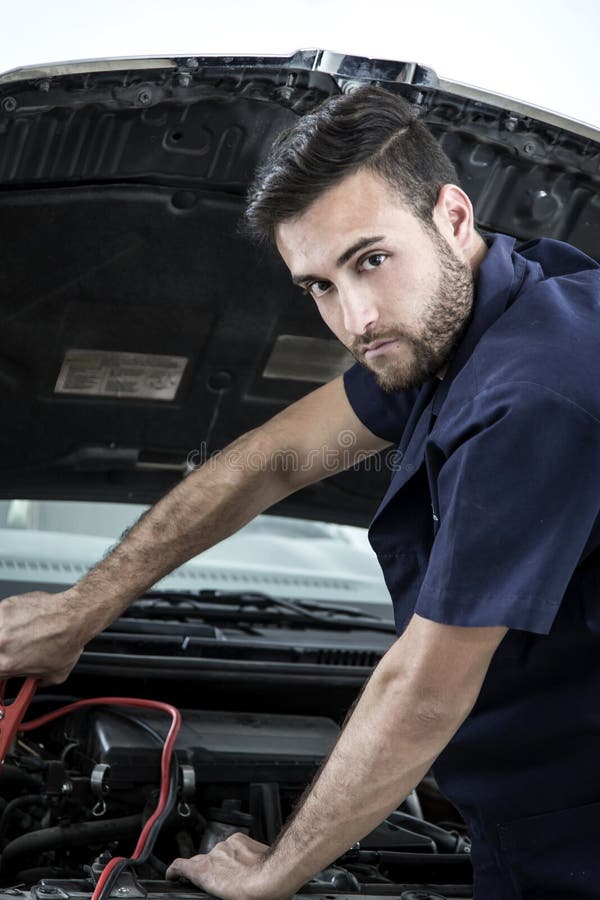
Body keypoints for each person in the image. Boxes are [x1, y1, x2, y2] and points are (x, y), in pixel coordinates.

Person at [1, 85, 600, 899]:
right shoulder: (462, 316)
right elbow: (271, 459)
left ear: (454, 218)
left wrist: (276, 873)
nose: (355, 318)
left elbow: (424, 687)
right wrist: (82, 608)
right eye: (318, 285)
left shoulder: (533, 392)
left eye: (370, 259)